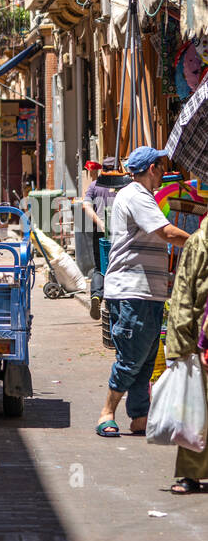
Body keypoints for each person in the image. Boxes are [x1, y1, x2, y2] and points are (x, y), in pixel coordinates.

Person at [96, 147, 191, 440]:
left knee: (146, 359)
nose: (164, 171)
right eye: (161, 166)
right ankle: (106, 413)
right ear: (151, 168)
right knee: (131, 358)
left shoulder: (142, 196)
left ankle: (139, 417)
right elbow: (167, 233)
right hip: (132, 291)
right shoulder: (135, 195)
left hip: (147, 292)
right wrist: (201, 240)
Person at [163, 214, 208, 494]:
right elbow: (184, 294)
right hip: (201, 340)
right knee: (197, 409)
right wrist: (182, 343)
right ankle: (191, 474)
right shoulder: (200, 242)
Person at [78, 157, 120, 321]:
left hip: (100, 232)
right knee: (117, 265)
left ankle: (96, 295)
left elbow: (85, 205)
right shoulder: (123, 185)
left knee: (100, 267)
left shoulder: (95, 185)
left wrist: (99, 222)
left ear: (103, 169)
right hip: (120, 232)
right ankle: (114, 302)